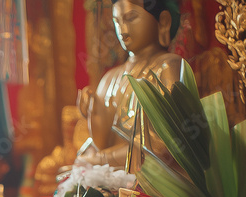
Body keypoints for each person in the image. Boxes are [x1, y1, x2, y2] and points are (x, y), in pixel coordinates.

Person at [76, 0, 183, 171]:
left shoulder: (168, 67)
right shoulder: (109, 78)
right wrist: (92, 112)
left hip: (151, 183)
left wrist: (100, 160)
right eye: (117, 21)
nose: (122, 31)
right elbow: (100, 144)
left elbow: (161, 147)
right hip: (112, 175)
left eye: (131, 18)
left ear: (163, 21)